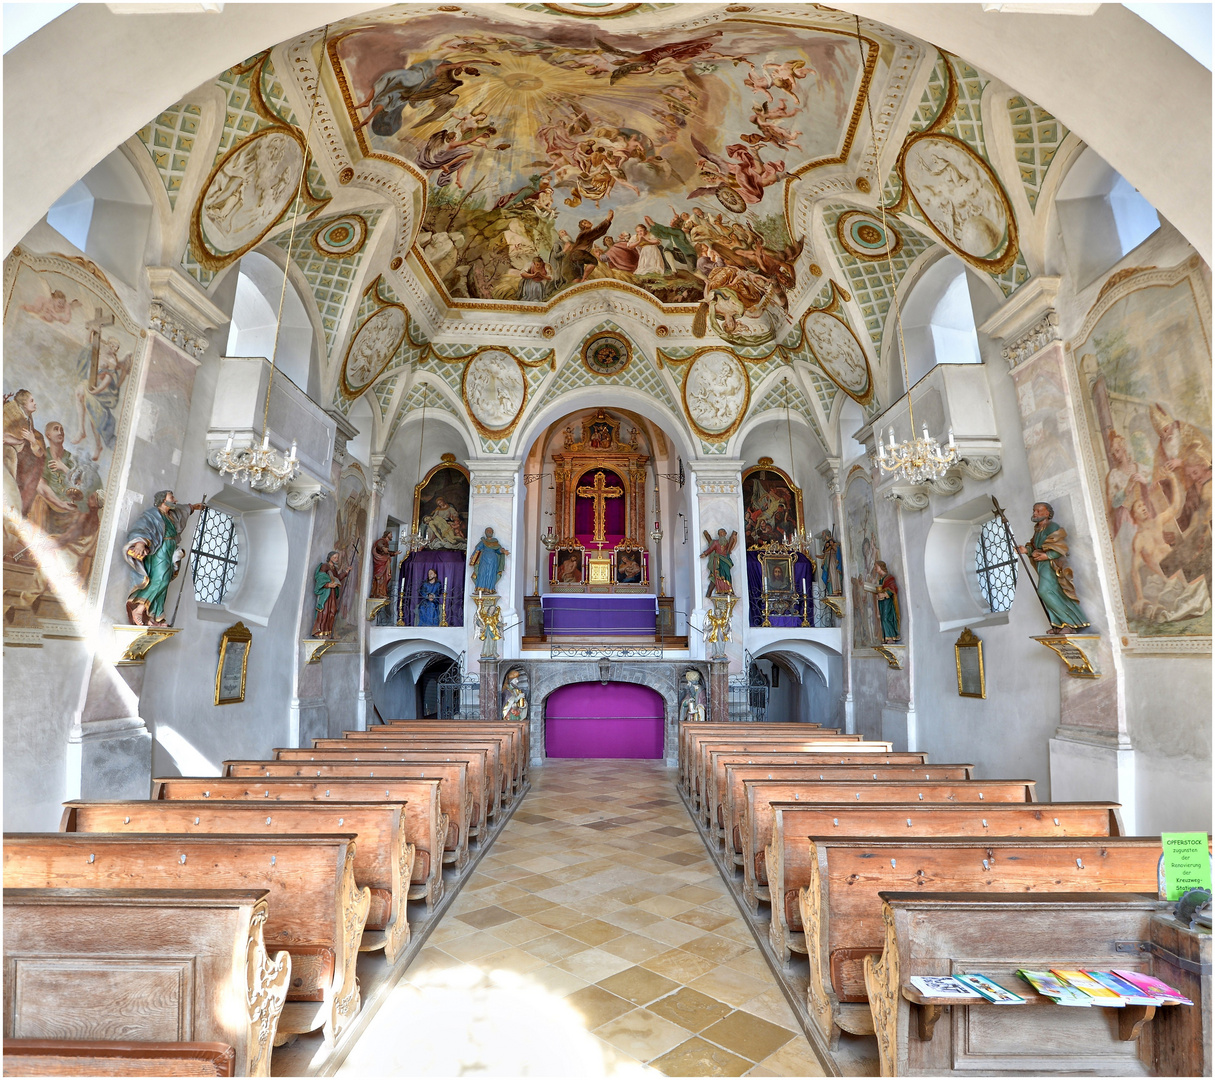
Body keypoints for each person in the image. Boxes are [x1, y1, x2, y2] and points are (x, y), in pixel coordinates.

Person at [124, 490, 203, 626]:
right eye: (172, 498)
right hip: (159, 551)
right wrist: (140, 543)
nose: (175, 500)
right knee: (161, 579)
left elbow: (182, 509)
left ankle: (153, 617)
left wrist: (193, 507)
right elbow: (142, 527)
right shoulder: (152, 514)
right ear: (163, 500)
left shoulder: (172, 514)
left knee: (165, 584)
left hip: (170, 550)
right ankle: (139, 609)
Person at [1017, 502, 1090, 632]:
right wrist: (1025, 550)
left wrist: (1048, 555)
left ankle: (1070, 623)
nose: (1035, 513)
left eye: (1039, 511)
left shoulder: (1053, 527)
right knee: (1051, 593)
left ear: (1047, 513)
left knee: (1045, 591)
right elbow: (1035, 547)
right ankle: (1059, 625)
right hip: (1042, 566)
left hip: (1052, 566)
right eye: (1034, 510)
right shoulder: (1038, 530)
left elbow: (1061, 547)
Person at [311, 549, 352, 638]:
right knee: (325, 611)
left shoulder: (334, 569)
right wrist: (328, 584)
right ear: (330, 558)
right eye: (335, 557)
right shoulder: (325, 566)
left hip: (333, 593)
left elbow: (337, 578)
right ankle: (319, 631)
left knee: (332, 611)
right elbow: (320, 578)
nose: (337, 559)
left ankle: (328, 632)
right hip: (326, 592)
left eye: (337, 557)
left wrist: (346, 572)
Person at [700, 527, 738, 597]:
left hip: (726, 561)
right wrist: (705, 554)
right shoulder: (716, 542)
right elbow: (710, 549)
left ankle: (729, 590)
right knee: (719, 576)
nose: (721, 534)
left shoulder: (727, 543)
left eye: (722, 533)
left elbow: (731, 548)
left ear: (725, 534)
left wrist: (735, 538)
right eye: (720, 533)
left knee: (727, 574)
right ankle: (721, 591)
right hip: (718, 561)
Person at [470, 526, 509, 592]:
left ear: (492, 533)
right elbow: (477, 549)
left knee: (491, 573)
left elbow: (498, 550)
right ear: (485, 533)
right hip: (484, 559)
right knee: (482, 572)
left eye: (490, 531)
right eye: (488, 531)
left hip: (493, 560)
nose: (489, 532)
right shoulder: (483, 541)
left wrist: (502, 551)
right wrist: (473, 556)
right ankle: (480, 589)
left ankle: (489, 589)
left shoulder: (495, 542)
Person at [873, 560, 900, 643]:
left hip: (887, 602)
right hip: (882, 602)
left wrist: (884, 594)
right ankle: (886, 638)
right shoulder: (880, 580)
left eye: (876, 566)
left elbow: (893, 589)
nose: (875, 568)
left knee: (886, 618)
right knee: (882, 618)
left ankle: (891, 637)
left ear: (881, 567)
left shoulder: (889, 578)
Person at [369, 530, 398, 599]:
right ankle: (378, 593)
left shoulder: (386, 543)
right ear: (387, 534)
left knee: (385, 577)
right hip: (380, 563)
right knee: (380, 577)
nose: (392, 536)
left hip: (384, 563)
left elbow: (387, 553)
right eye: (390, 534)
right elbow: (379, 545)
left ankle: (382, 592)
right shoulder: (382, 541)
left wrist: (394, 553)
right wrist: (383, 548)